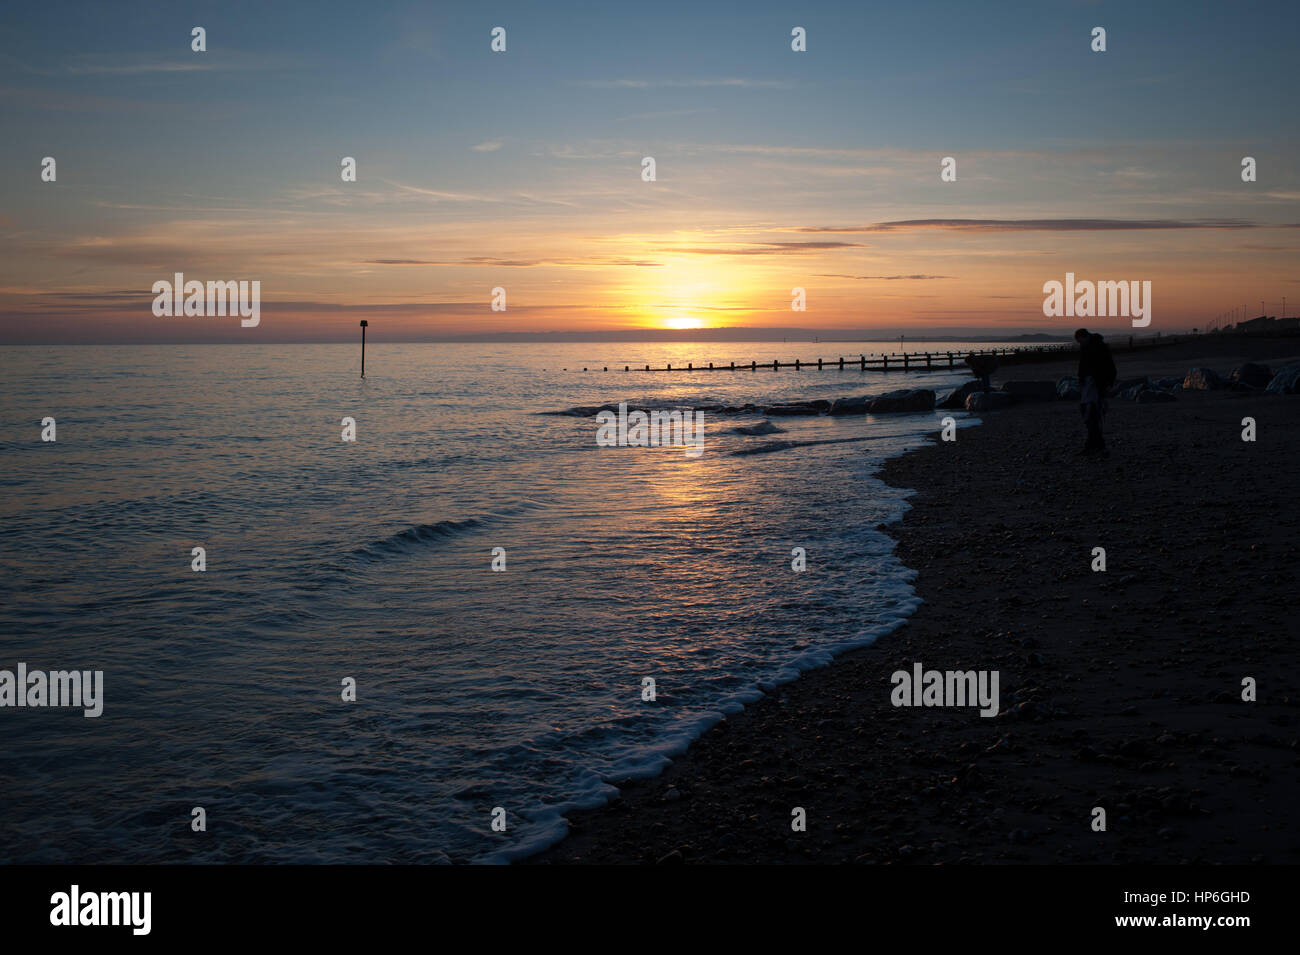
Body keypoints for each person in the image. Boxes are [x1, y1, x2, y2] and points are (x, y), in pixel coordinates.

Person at [1075, 327, 1116, 453]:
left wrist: (1107, 384)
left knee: (1092, 413)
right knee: (1090, 413)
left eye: (1080, 341)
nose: (1080, 344)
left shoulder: (1099, 347)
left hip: (1097, 384)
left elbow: (1109, 366)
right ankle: (1096, 442)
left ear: (1085, 337)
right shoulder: (1086, 347)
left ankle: (1094, 443)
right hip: (1089, 384)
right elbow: (1082, 366)